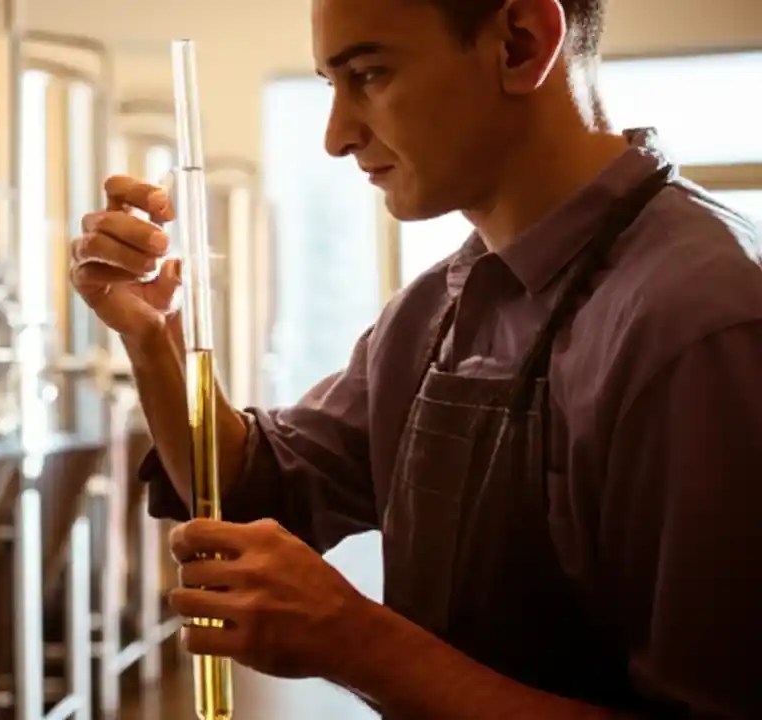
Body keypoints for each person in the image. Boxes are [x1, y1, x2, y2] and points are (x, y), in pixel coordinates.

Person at [69, 0, 762, 716]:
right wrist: (154, 337)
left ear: (521, 44)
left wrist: (359, 644)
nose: (336, 136)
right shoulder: (436, 307)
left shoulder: (700, 322)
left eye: (369, 75)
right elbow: (255, 487)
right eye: (330, 85)